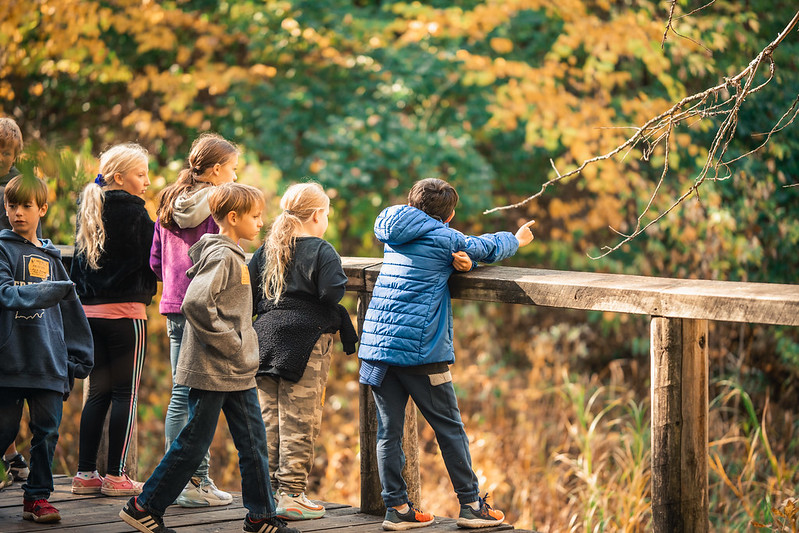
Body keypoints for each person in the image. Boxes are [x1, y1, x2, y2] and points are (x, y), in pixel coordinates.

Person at [119, 183, 300, 533]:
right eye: (255, 216)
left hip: (235, 370)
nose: (260, 222)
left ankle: (261, 515)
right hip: (215, 368)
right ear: (233, 217)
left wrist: (239, 349)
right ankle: (144, 506)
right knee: (193, 444)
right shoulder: (222, 256)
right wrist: (231, 343)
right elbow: (196, 303)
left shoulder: (234, 255)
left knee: (253, 442)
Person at [358, 178, 536, 531]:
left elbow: (438, 259)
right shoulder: (446, 238)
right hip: (420, 350)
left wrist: (462, 264)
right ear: (450, 215)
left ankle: (397, 509)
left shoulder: (391, 231)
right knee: (449, 428)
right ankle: (471, 506)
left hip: (378, 347)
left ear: (412, 204)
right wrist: (516, 239)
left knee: (388, 433)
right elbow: (485, 247)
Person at [248, 182, 358, 520]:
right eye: (327, 215)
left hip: (265, 337)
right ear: (316, 215)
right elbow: (331, 294)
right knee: (300, 420)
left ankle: (268, 493)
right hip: (306, 340)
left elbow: (250, 295)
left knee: (268, 420)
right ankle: (292, 494)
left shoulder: (266, 249)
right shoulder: (322, 250)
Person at [149, 133, 238, 508]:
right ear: (215, 170)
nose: (234, 176)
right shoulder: (219, 203)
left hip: (173, 306)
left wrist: (174, 282)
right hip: (204, 309)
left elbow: (155, 260)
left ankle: (178, 482)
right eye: (232, 169)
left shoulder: (169, 200)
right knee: (201, 397)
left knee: (180, 395)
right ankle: (194, 482)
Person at [0, 175, 94, 521]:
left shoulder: (53, 259)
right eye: (12, 205)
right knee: (3, 431)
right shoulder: (2, 250)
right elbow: (5, 293)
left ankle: (37, 498)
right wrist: (49, 291)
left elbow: (70, 311)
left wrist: (78, 357)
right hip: (9, 362)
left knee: (47, 431)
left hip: (48, 363)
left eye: (26, 206)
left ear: (42, 209)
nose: (18, 213)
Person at [70, 143, 158, 497]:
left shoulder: (89, 208)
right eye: (141, 175)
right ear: (119, 178)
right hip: (126, 316)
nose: (147, 182)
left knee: (97, 395)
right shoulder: (137, 214)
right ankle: (116, 476)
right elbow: (155, 258)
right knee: (126, 394)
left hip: (90, 315)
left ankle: (85, 473)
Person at [0, 117, 37, 483]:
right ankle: (9, 454)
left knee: (9, 377)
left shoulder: (17, 188)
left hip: (10, 289)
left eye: (7, 152)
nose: (1, 157)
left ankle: (9, 451)